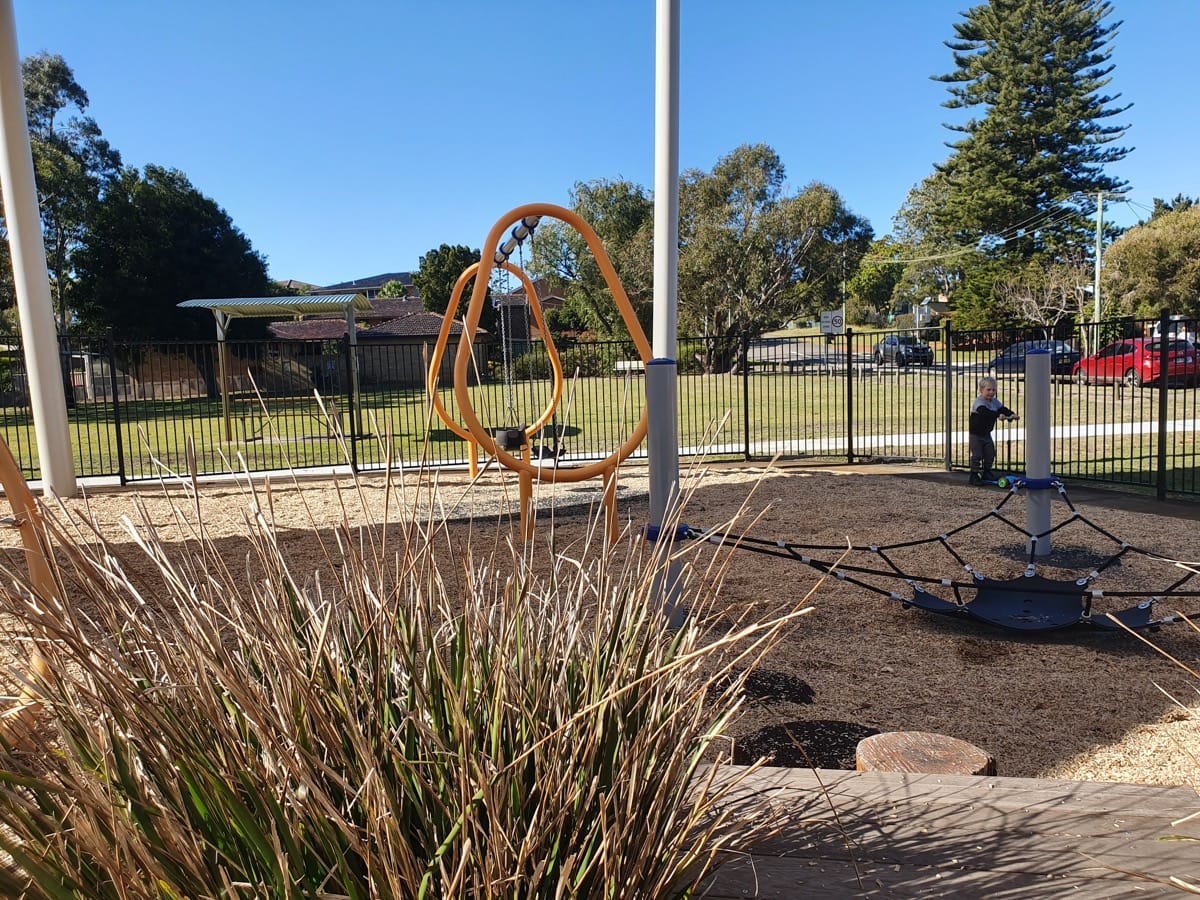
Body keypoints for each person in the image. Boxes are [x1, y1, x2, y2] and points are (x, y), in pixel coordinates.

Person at [969, 375, 1017, 484]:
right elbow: (985, 413)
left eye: (993, 390)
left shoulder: (994, 402)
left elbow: (1002, 409)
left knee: (990, 453)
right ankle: (974, 475)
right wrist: (998, 415)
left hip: (986, 434)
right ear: (981, 390)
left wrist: (1011, 414)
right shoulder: (979, 402)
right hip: (976, 435)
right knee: (977, 455)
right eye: (988, 390)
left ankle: (987, 472)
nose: (991, 392)